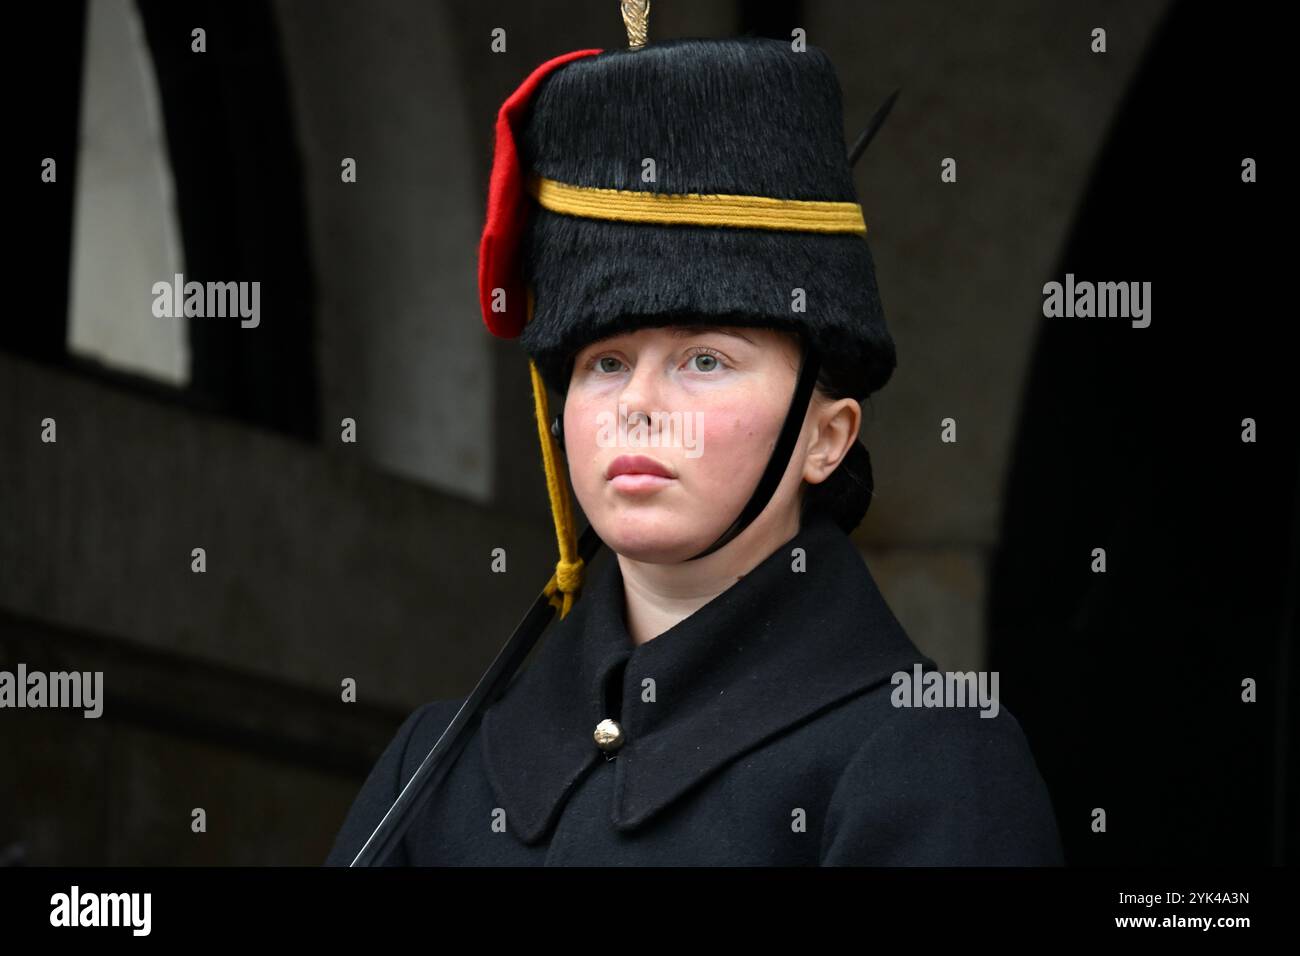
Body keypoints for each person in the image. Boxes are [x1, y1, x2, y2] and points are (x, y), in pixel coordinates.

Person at [325, 19, 1064, 866]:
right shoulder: (436, 768)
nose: (638, 405)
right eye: (604, 362)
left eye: (704, 359)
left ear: (827, 437)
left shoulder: (935, 761)